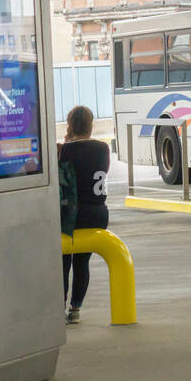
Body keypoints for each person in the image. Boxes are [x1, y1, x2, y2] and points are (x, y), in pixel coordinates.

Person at [59, 105, 111, 324]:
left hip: (70, 216)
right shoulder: (103, 148)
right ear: (91, 125)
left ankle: (58, 307)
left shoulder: (63, 150)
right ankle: (75, 308)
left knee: (63, 262)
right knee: (82, 263)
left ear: (70, 125)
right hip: (97, 214)